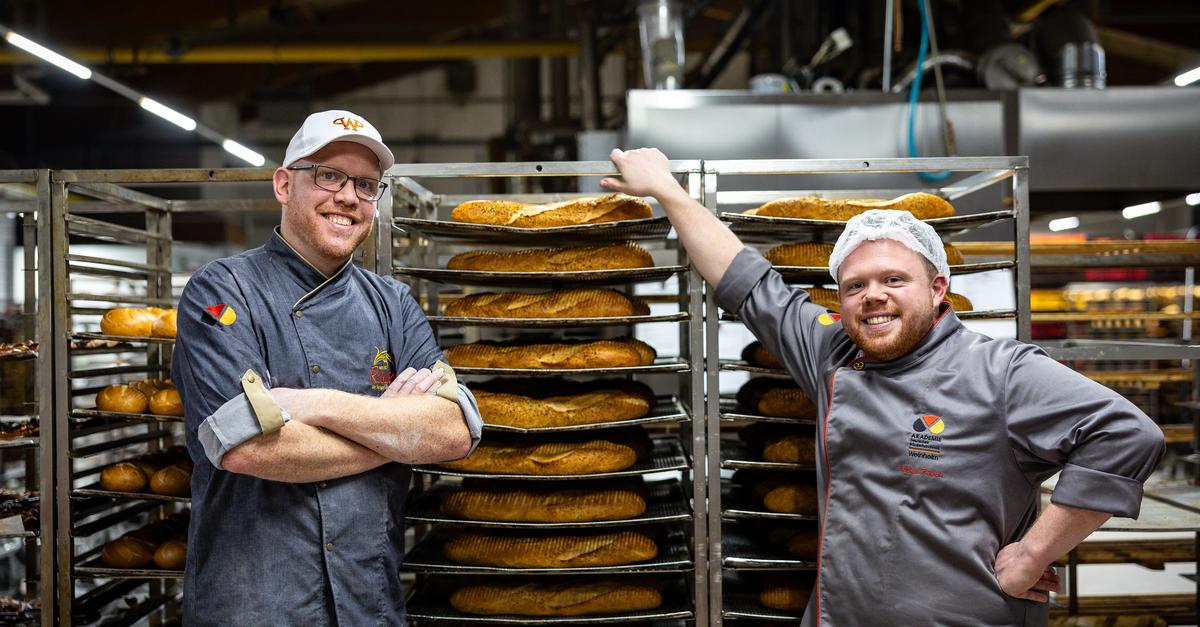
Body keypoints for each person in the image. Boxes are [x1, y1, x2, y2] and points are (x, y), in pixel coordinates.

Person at [601, 148, 1165, 626]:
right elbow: (749, 284)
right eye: (855, 286)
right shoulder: (833, 354)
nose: (873, 295)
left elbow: (1127, 435)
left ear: (938, 288)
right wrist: (669, 192)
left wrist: (1033, 554)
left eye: (894, 279)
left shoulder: (1001, 370)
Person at [172, 110, 483, 625]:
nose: (348, 197)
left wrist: (312, 405)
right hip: (254, 605)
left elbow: (454, 431)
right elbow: (247, 446)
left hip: (367, 604)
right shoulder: (222, 292)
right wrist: (395, 434)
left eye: (365, 184)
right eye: (329, 176)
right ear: (283, 184)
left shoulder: (394, 305)